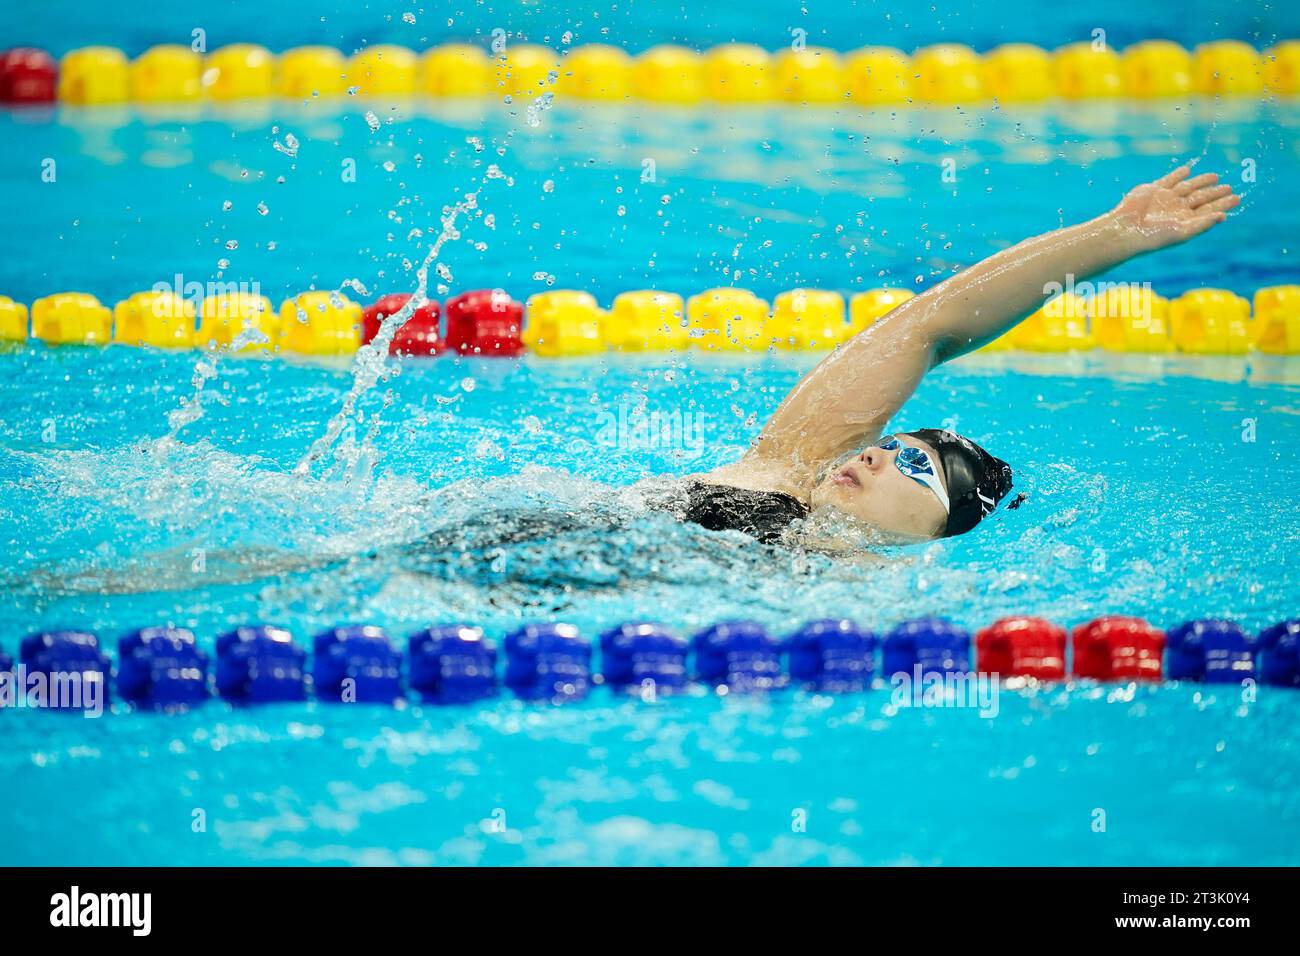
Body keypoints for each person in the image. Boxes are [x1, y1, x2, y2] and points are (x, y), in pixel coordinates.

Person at [678, 165, 1240, 546]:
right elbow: (929, 327)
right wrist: (1115, 233)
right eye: (890, 447)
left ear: (939, 527)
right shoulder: (775, 475)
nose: (875, 455)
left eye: (917, 467)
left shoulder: (883, 604)